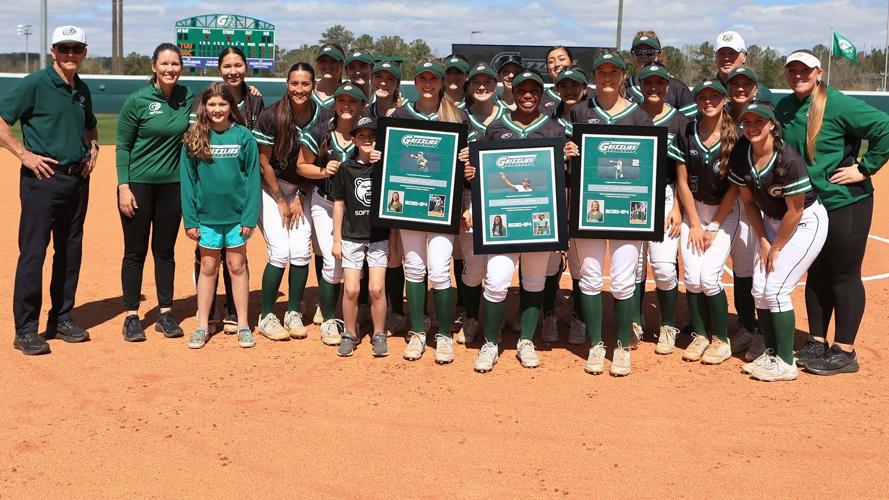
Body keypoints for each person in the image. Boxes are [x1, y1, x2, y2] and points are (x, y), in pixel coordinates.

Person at [777, 50, 889, 375]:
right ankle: (816, 341)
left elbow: (885, 126)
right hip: (811, 203)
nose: (798, 76)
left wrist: (864, 168)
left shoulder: (837, 103)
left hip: (845, 201)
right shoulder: (786, 107)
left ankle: (845, 350)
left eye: (805, 71)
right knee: (817, 272)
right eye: (792, 70)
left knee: (843, 273)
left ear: (818, 74)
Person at [0, 25, 97, 355]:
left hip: (76, 180)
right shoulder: (36, 83)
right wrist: (24, 155)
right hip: (43, 180)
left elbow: (89, 126)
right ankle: (25, 328)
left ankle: (62, 318)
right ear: (53, 51)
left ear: (84, 51)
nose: (70, 54)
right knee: (34, 252)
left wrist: (93, 148)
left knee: (70, 252)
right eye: (64, 48)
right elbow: (1, 119)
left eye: (76, 48)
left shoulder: (81, 88)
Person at [464, 69, 566, 372]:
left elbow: (561, 179)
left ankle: (525, 341)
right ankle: (491, 342)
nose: (528, 95)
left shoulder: (554, 129)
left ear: (541, 93)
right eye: (522, 89)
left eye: (534, 89)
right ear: (513, 91)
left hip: (539, 218)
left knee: (534, 281)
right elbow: (484, 170)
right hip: (503, 220)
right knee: (496, 280)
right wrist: (474, 177)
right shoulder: (496, 128)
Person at [566, 53, 653, 376]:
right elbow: (563, 156)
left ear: (622, 76)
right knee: (588, 276)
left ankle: (620, 346)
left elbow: (648, 165)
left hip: (625, 208)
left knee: (621, 279)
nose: (607, 78)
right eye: (602, 72)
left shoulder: (639, 116)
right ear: (594, 76)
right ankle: (596, 344)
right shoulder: (580, 111)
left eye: (613, 72)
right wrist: (567, 151)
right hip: (589, 207)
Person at [728, 103, 828, 381]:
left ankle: (786, 362)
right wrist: (762, 239)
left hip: (805, 222)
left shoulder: (788, 160)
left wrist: (777, 247)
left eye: (759, 121)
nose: (752, 127)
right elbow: (748, 203)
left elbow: (795, 212)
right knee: (759, 290)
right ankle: (770, 354)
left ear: (772, 125)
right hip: (771, 223)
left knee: (777, 290)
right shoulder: (741, 154)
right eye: (746, 122)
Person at [115, 43, 193, 342]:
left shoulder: (187, 98)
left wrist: (249, 91)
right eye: (165, 63)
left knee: (165, 252)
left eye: (175, 64)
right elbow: (122, 146)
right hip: (138, 186)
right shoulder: (138, 100)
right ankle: (131, 316)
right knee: (135, 252)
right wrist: (124, 187)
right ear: (154, 66)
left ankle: (165, 313)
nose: (170, 69)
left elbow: (218, 99)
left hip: (172, 187)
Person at [389, 60, 466, 363]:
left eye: (433, 78)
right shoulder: (401, 114)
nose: (428, 84)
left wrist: (466, 154)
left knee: (439, 268)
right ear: (415, 81)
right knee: (414, 267)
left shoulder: (456, 114)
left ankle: (444, 334)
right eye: (422, 78)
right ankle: (418, 331)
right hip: (409, 203)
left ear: (442, 82)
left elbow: (466, 162)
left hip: (441, 204)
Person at [189, 46, 265, 334]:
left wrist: (249, 214)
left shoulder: (252, 106)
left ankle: (238, 314)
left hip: (237, 203)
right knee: (207, 262)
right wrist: (191, 215)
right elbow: (190, 168)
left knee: (236, 261)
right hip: (207, 206)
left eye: (238, 65)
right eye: (227, 66)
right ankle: (205, 316)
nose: (233, 70)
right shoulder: (200, 113)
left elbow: (251, 169)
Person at [252, 63, 329, 343]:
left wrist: (298, 196)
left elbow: (316, 163)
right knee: (279, 250)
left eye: (305, 84)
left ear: (314, 85)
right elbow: (263, 161)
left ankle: (294, 310)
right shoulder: (272, 115)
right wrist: (279, 199)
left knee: (300, 250)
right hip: (270, 186)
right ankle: (266, 315)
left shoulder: (324, 117)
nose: (299, 89)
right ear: (287, 84)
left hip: (302, 188)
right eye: (294, 83)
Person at [673, 80, 740, 365]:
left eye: (715, 96)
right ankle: (700, 334)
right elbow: (682, 182)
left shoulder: (735, 136)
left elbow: (735, 188)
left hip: (724, 213)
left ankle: (721, 340)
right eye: (703, 96)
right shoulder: (687, 131)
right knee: (692, 277)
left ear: (724, 100)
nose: (708, 101)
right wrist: (696, 223)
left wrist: (713, 226)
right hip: (694, 211)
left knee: (710, 277)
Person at [297, 82, 367, 345]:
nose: (346, 106)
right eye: (342, 101)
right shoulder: (321, 132)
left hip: (359, 209)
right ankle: (328, 319)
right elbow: (302, 166)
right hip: (325, 204)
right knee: (332, 259)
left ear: (361, 105)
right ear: (335, 103)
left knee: (355, 266)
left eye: (353, 101)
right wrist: (323, 172)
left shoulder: (369, 134)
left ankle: (353, 315)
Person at [634, 64, 689, 355]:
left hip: (667, 195)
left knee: (665, 267)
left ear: (667, 86)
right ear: (640, 85)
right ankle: (634, 318)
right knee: (635, 264)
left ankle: (668, 323)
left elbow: (683, 170)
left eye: (659, 82)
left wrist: (678, 207)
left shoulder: (679, 120)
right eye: (648, 82)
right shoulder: (632, 115)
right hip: (633, 195)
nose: (653, 87)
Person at [455, 62, 509, 345]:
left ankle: (494, 321)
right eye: (476, 82)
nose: (482, 86)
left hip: (504, 198)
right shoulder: (460, 118)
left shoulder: (510, 117)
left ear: (496, 83)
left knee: (499, 266)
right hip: (469, 197)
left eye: (487, 81)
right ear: (469, 85)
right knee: (474, 267)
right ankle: (472, 316)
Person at [331, 116, 391, 357]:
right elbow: (338, 203)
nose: (368, 140)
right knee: (352, 290)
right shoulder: (345, 168)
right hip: (352, 236)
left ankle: (379, 333)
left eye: (373, 136)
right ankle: (349, 332)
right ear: (353, 139)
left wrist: (394, 242)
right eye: (362, 136)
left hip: (379, 236)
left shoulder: (385, 165)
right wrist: (336, 239)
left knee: (377, 289)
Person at [626, 32, 695, 118]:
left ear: (658, 55)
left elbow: (689, 125)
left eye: (649, 52)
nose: (643, 56)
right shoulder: (623, 87)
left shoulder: (678, 88)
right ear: (633, 55)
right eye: (638, 52)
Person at [539, 46, 576, 112]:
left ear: (573, 63)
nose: (557, 64)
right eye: (551, 61)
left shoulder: (591, 95)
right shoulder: (540, 99)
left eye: (561, 59)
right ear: (547, 69)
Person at [313, 44, 344, 109]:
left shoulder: (348, 93)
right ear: (317, 64)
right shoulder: (308, 90)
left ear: (342, 64)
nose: (328, 65)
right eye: (323, 61)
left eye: (333, 61)